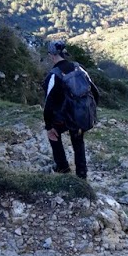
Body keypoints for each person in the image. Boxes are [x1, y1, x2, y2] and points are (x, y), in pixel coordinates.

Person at [42, 40, 99, 178]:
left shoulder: (54, 75)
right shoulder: (79, 68)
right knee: (78, 140)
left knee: (53, 135)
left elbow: (48, 103)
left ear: (51, 55)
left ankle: (63, 167)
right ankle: (82, 173)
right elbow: (95, 92)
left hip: (62, 117)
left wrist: (49, 126)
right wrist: (89, 110)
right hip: (80, 114)